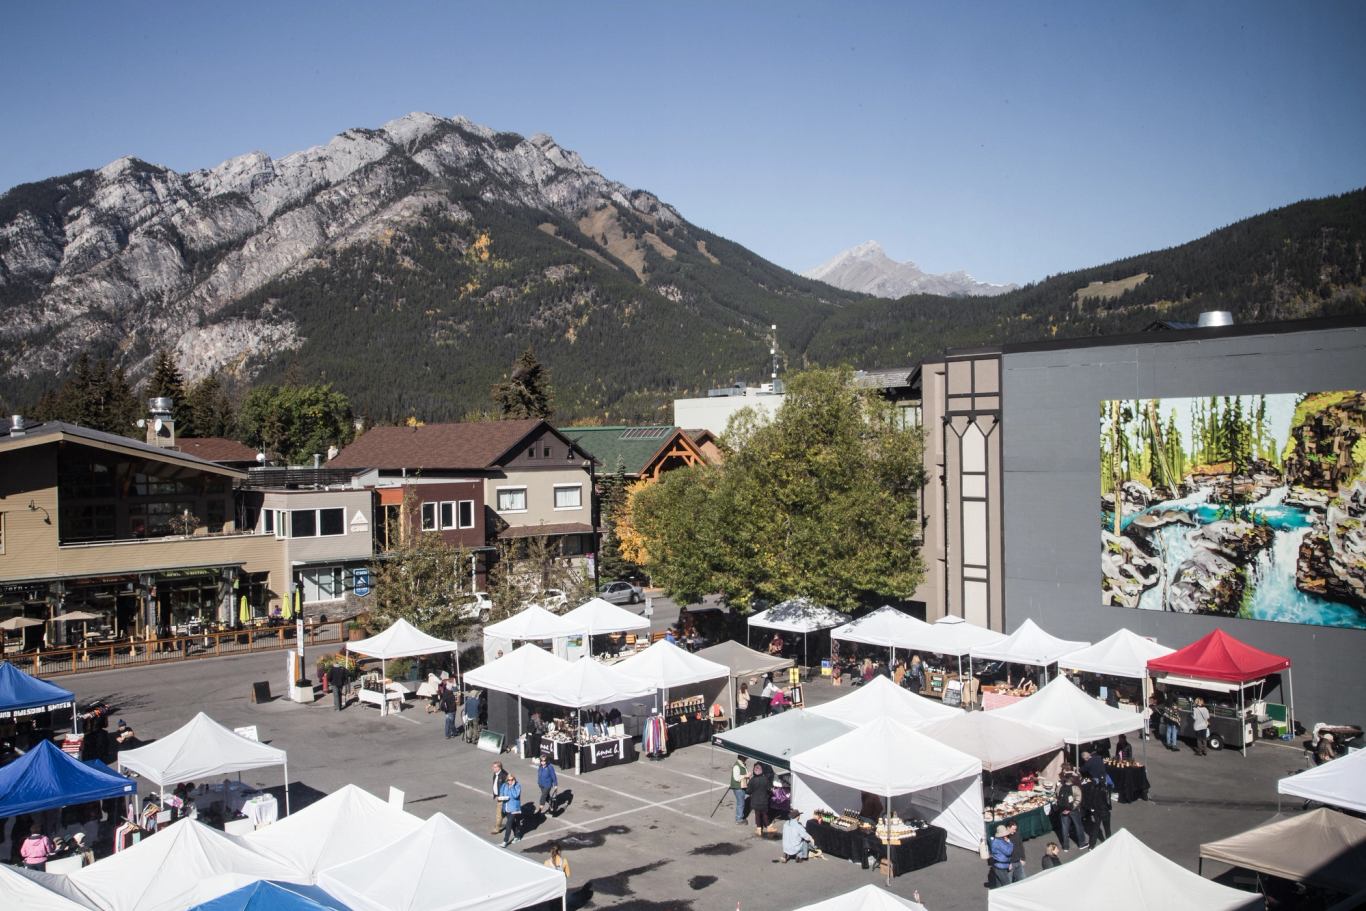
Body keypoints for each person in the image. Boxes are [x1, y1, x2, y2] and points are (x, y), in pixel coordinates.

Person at [1056, 774, 1088, 852]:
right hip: (1073, 810)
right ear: (1072, 780)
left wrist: (1063, 808)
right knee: (1078, 826)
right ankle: (1081, 843)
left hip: (1062, 810)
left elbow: (1057, 796)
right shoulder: (1075, 788)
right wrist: (1071, 808)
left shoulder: (1060, 787)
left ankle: (1065, 846)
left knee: (1065, 828)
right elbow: (1078, 799)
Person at [746, 762, 774, 837]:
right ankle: (768, 827)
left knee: (757, 815)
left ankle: (759, 829)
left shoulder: (752, 780)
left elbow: (748, 791)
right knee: (765, 814)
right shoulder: (765, 779)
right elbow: (769, 789)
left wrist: (748, 780)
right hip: (763, 801)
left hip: (755, 801)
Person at [498, 773, 523, 846]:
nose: (510, 781)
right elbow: (501, 794)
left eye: (512, 780)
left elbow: (515, 795)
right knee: (512, 824)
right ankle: (517, 836)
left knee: (508, 824)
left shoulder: (517, 786)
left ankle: (505, 841)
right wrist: (500, 797)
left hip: (514, 808)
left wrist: (512, 787)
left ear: (514, 780)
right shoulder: (504, 785)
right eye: (509, 780)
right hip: (506, 807)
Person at [489, 761, 508, 835]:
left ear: (499, 768)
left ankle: (497, 828)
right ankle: (512, 821)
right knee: (504, 812)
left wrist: (501, 796)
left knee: (499, 813)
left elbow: (507, 787)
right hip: (498, 796)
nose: (492, 768)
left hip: (502, 797)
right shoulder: (496, 773)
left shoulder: (504, 775)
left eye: (494, 767)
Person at [729, 754, 749, 824]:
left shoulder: (741, 764)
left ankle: (740, 816)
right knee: (740, 803)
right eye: (745, 757)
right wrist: (746, 776)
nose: (746, 759)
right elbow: (736, 778)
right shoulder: (737, 766)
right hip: (738, 787)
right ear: (742, 757)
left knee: (741, 802)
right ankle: (739, 819)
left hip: (741, 786)